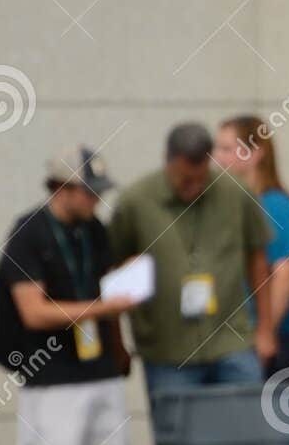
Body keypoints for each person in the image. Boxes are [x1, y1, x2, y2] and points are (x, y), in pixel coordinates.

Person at [0, 146, 134, 445]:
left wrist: (118, 346)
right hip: (52, 378)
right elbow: (34, 312)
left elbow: (108, 288)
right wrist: (104, 309)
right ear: (62, 188)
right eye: (90, 192)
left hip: (100, 372)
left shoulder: (94, 231)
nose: (97, 200)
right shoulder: (29, 232)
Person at [108, 123, 274, 397]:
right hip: (168, 351)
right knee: (179, 436)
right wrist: (117, 343)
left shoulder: (235, 193)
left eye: (201, 178)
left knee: (243, 430)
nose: (194, 187)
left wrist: (266, 331)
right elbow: (111, 272)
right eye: (185, 180)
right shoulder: (135, 202)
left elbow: (258, 259)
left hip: (231, 342)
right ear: (168, 161)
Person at [215, 115, 289, 378]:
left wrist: (265, 334)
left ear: (255, 153)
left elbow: (285, 272)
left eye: (226, 149)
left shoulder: (274, 205)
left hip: (279, 338)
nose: (217, 157)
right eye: (217, 148)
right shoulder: (235, 205)